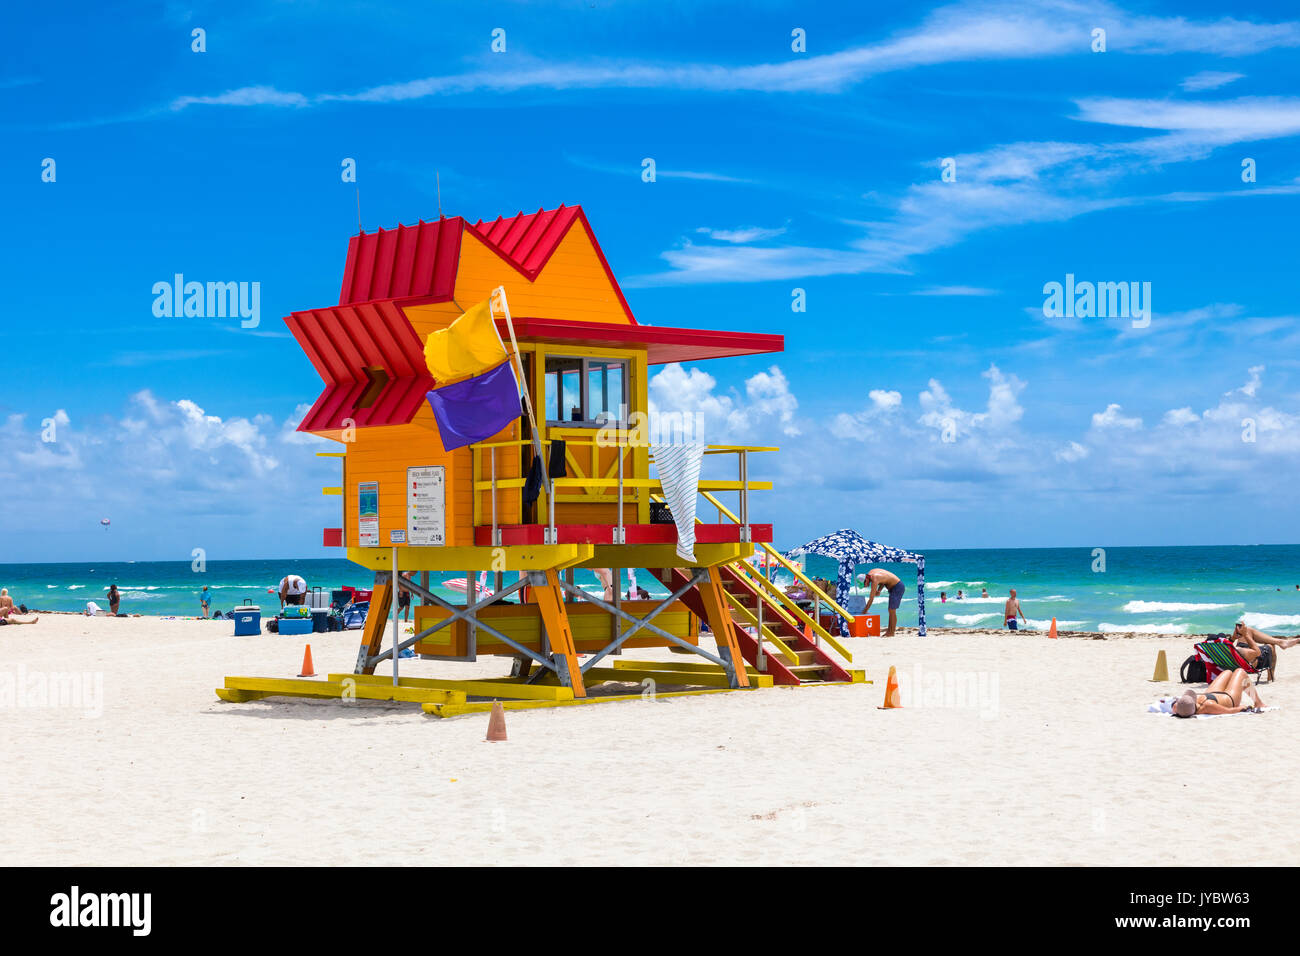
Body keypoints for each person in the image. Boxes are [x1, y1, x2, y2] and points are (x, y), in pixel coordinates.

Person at [1171, 667, 1264, 717]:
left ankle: (1257, 701)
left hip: (1211, 694)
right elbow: (1229, 711)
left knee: (1227, 672)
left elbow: (1176, 705)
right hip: (1229, 698)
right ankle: (1258, 702)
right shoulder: (1208, 706)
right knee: (1240, 672)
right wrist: (1244, 708)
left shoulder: (1181, 708)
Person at [1230, 620, 1300, 682]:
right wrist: (1246, 635)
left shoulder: (1222, 650)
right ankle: (1270, 677)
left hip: (1236, 655)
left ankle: (1281, 642)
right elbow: (1257, 653)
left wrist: (1233, 638)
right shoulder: (1235, 649)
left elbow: (1227, 645)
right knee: (1271, 645)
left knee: (1248, 630)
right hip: (1246, 660)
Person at [862, 568, 904, 637]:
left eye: (864, 584)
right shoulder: (871, 572)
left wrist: (864, 611)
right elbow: (884, 579)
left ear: (866, 579)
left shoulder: (874, 579)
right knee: (890, 610)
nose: (865, 586)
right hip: (895, 586)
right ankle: (889, 631)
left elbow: (871, 599)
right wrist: (879, 590)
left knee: (892, 610)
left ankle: (891, 632)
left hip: (897, 587)